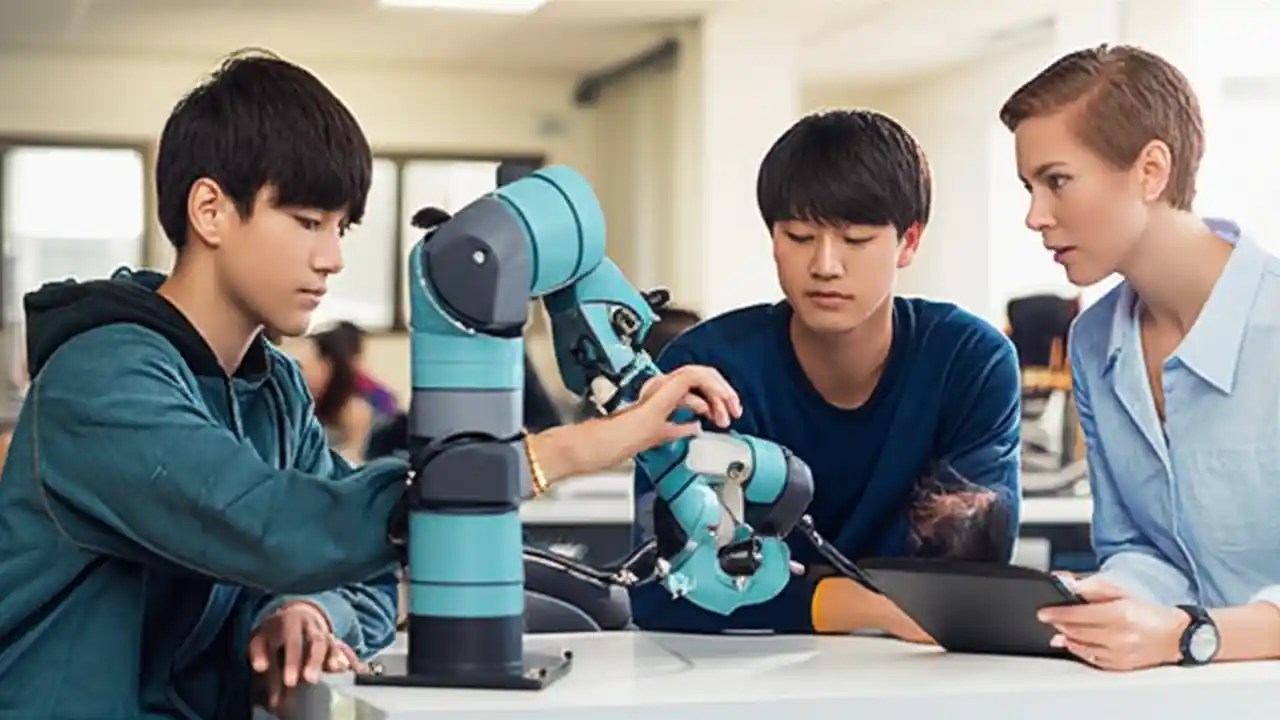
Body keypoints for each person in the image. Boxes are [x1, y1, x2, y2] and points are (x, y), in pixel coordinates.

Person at [0, 50, 745, 719]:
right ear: (210, 211)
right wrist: (571, 450)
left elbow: (360, 574)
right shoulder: (101, 379)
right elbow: (276, 524)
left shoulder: (274, 392)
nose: (331, 260)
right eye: (305, 222)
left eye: (342, 229)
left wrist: (306, 609)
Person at [629, 109, 1022, 638]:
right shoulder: (704, 369)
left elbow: (970, 580)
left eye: (856, 240)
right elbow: (665, 592)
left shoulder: (969, 361)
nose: (825, 265)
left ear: (908, 242)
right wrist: (873, 608)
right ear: (772, 237)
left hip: (917, 678)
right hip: (733, 679)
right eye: (798, 236)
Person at [1002, 44, 1280, 671]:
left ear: (1151, 170)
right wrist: (1101, 601)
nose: (1034, 216)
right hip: (1177, 695)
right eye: (1028, 187)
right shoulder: (1094, 341)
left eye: (1057, 181)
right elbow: (1137, 549)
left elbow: (1185, 630)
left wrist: (1190, 635)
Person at [297, 327, 378, 463]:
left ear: (329, 367)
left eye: (307, 367)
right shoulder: (304, 407)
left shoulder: (355, 411)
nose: (302, 376)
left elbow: (353, 461)